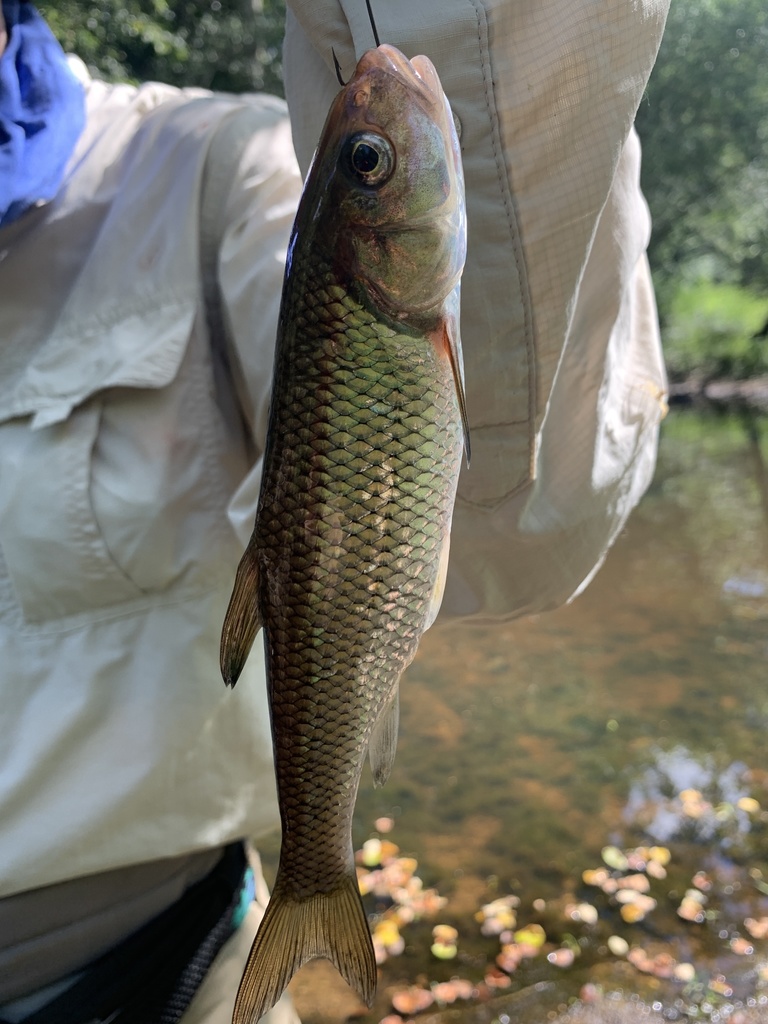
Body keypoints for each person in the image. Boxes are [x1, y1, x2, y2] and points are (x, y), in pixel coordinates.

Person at [0, 1, 670, 1022]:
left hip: (149, 968)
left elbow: (513, 518)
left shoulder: (213, 164)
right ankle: (320, 876)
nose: (369, 154)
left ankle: (319, 874)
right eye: (366, 163)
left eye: (365, 167)